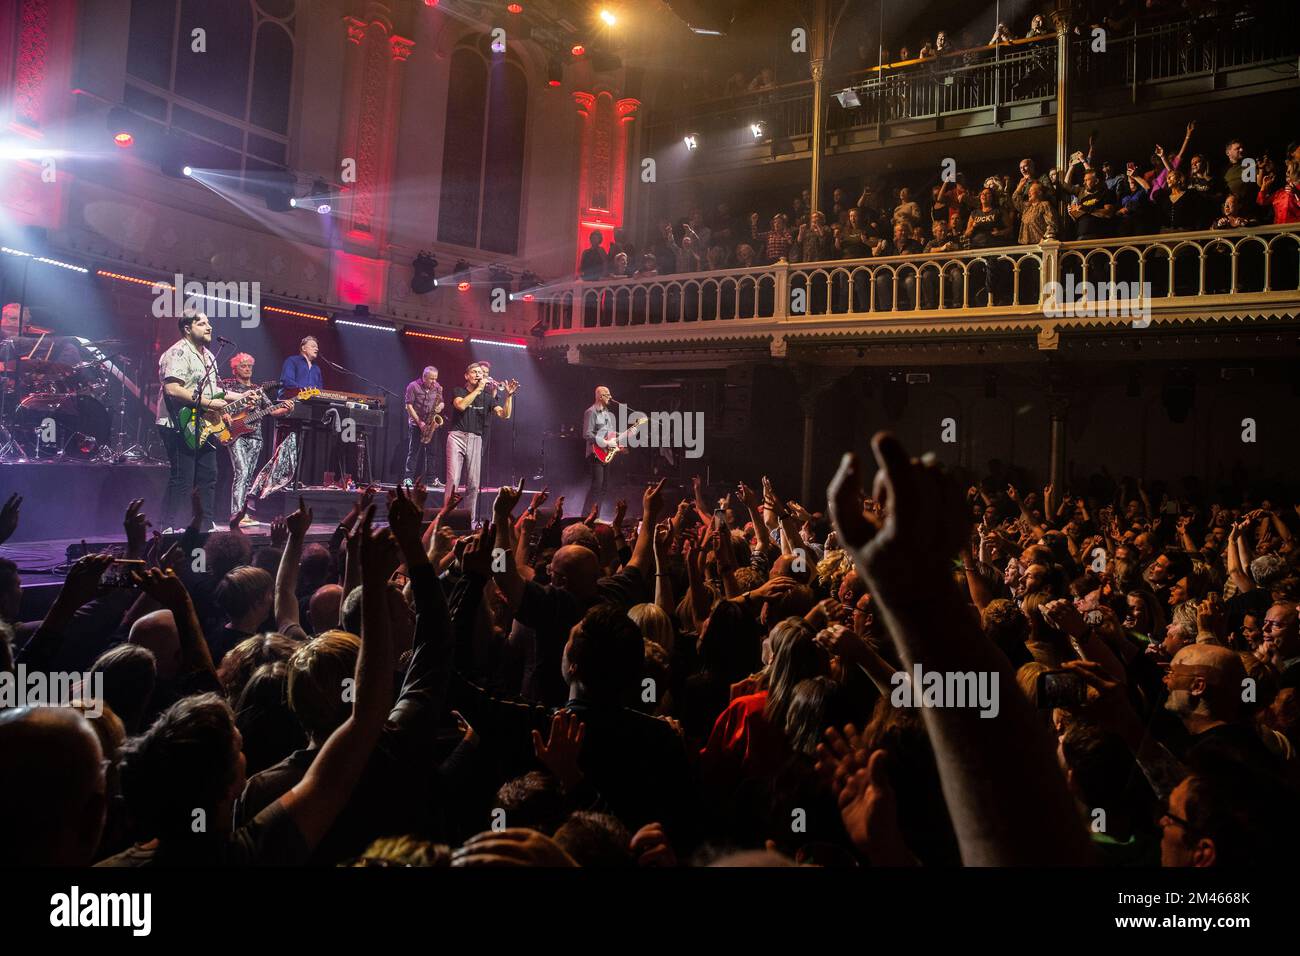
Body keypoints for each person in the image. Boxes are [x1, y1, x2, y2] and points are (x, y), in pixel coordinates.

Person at [155, 309, 226, 533]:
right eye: (202, 323)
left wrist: (242, 397)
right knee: (183, 477)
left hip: (203, 424)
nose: (209, 327)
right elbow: (173, 389)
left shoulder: (209, 356)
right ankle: (168, 526)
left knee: (208, 475)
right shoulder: (177, 352)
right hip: (177, 422)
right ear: (187, 328)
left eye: (209, 323)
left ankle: (206, 524)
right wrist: (208, 403)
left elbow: (216, 392)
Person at [221, 353, 292, 526]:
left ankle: (243, 514)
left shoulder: (258, 390)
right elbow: (217, 402)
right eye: (243, 365)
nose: (247, 368)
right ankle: (235, 514)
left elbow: (271, 410)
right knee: (242, 472)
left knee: (248, 476)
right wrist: (224, 414)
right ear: (235, 369)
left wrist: (287, 408)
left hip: (255, 436)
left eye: (250, 366)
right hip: (234, 433)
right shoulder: (227, 385)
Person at [250, 336, 323, 499]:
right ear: (303, 347)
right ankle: (277, 481)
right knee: (286, 443)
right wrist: (303, 390)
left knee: (303, 443)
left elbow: (320, 389)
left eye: (317, 346)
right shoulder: (292, 361)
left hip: (307, 408)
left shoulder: (317, 369)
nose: (316, 348)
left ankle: (296, 478)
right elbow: (287, 382)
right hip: (288, 405)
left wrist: (314, 394)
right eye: (313, 346)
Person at [445, 361, 517, 522]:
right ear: (466, 375)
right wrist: (478, 389)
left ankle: (467, 521)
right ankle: (447, 518)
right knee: (453, 480)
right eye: (475, 372)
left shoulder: (487, 398)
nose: (478, 375)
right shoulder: (458, 390)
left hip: (476, 439)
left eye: (481, 373)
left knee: (473, 483)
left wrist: (509, 396)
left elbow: (504, 415)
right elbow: (461, 405)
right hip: (456, 437)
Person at [403, 365, 445, 489]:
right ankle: (408, 478)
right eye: (431, 379)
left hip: (431, 423)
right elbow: (409, 406)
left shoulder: (437, 387)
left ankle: (431, 479)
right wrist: (419, 422)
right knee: (413, 452)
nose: (434, 381)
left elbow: (442, 401)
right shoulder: (413, 386)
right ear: (424, 377)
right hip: (416, 423)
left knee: (432, 453)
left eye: (436, 378)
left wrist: (440, 407)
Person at [582, 386, 618, 519]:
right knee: (596, 486)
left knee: (604, 487)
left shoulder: (607, 413)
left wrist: (618, 442)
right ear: (599, 396)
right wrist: (606, 443)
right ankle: (585, 516)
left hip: (605, 454)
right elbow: (587, 434)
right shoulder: (591, 412)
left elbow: (610, 434)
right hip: (595, 454)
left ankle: (596, 516)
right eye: (607, 394)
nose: (610, 396)